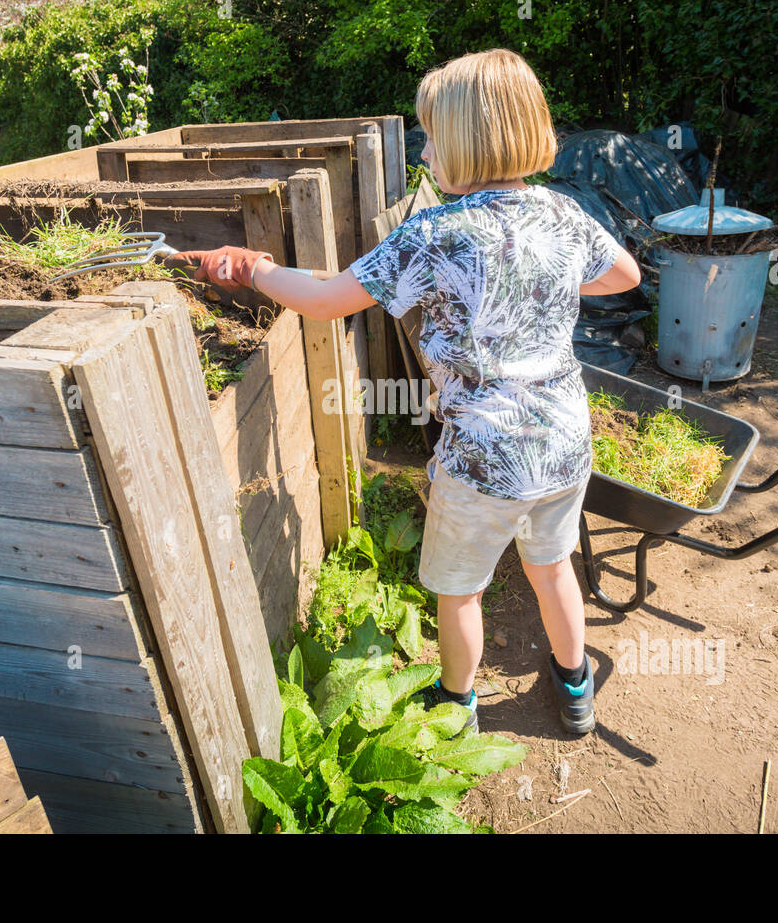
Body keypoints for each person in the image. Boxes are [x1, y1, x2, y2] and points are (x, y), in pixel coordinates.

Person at [169, 48, 641, 735]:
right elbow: (623, 274)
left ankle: (455, 704)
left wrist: (254, 266)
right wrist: (548, 284)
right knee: (553, 567)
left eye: (429, 134)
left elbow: (330, 300)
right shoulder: (562, 215)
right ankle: (576, 692)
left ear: (464, 142)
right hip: (564, 444)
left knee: (460, 591)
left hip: (483, 458)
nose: (422, 148)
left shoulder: (434, 234)